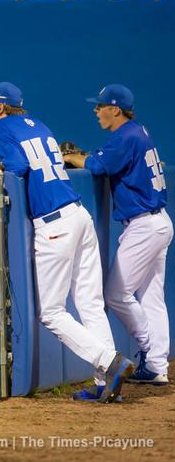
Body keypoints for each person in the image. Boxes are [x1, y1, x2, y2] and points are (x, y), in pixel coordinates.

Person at [0, 82, 134, 403]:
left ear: (2, 108)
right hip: (79, 215)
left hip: (54, 222)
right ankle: (107, 384)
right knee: (90, 304)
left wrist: (0, 161)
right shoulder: (40, 124)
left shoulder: (3, 127)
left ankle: (109, 363)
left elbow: (20, 167)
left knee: (51, 312)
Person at [64, 84, 172, 385]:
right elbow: (106, 159)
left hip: (144, 226)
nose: (96, 111)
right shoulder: (138, 131)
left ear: (115, 109)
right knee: (151, 298)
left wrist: (74, 158)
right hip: (157, 222)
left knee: (115, 294)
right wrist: (83, 155)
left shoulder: (125, 135)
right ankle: (157, 367)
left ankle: (150, 353)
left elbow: (98, 166)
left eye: (100, 106)